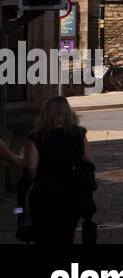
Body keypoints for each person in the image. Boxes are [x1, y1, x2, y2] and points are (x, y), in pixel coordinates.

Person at [22, 96, 95, 245]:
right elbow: (89, 163)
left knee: (44, 236)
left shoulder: (36, 137)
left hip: (45, 195)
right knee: (66, 235)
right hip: (73, 194)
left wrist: (31, 184)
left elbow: (31, 169)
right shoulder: (79, 134)